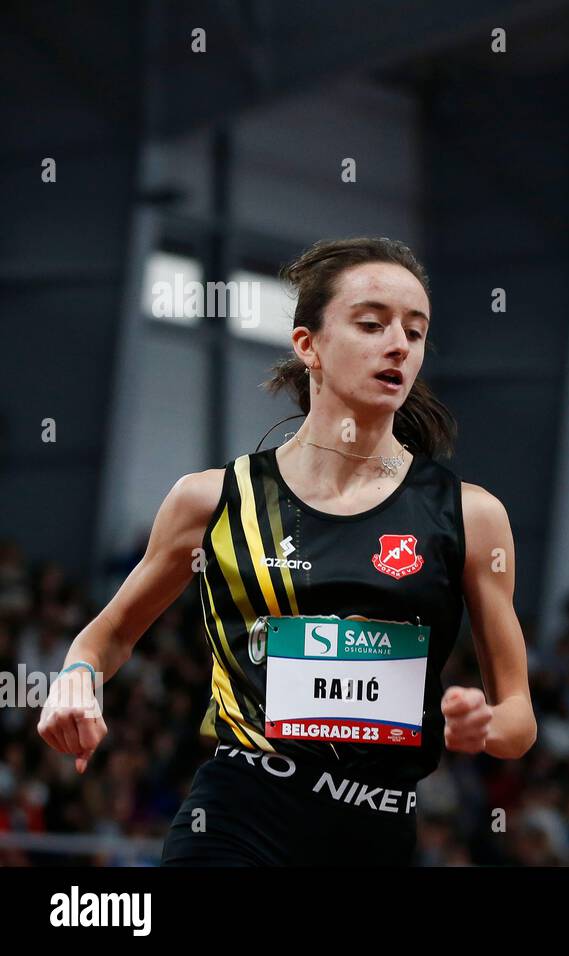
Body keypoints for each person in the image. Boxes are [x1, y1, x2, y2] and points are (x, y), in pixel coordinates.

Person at [36, 237, 536, 865]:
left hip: (375, 832)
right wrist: (77, 679)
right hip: (239, 814)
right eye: (372, 323)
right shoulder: (214, 501)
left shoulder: (469, 515)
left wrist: (485, 726)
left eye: (416, 331)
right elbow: (104, 638)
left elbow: (519, 719)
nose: (399, 345)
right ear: (309, 346)